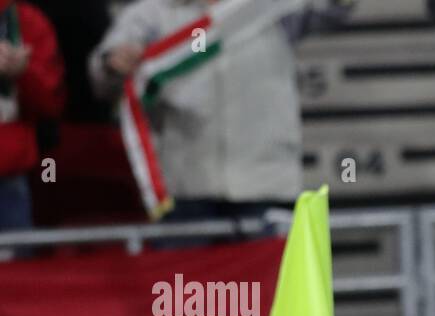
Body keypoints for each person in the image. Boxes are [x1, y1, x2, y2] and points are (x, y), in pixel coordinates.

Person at [87, 0, 352, 223]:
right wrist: (114, 62)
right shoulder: (153, 13)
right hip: (184, 192)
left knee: (267, 286)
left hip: (265, 188)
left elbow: (333, 9)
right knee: (185, 286)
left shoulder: (269, 7)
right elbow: (103, 73)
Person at [0, 0, 63, 232]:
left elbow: (51, 105)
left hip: (8, 178)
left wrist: (23, 73)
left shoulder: (25, 20)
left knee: (18, 269)